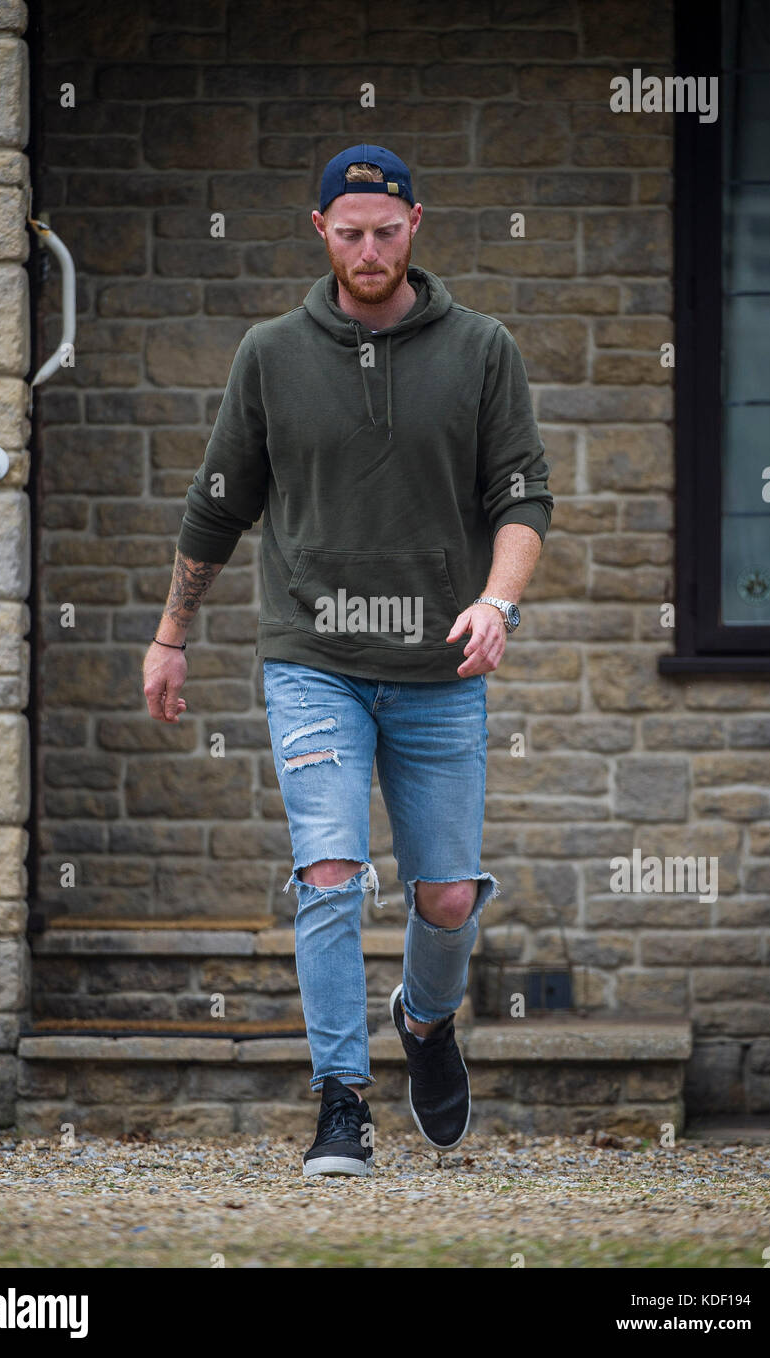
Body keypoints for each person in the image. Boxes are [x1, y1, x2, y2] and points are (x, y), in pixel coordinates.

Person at [142, 143, 553, 1177]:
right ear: (319, 230)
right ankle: (342, 1100)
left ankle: (424, 1018)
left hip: (440, 668)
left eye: (386, 229)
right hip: (313, 658)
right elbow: (217, 508)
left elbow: (522, 501)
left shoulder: (481, 348)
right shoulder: (272, 352)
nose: (368, 249)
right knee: (330, 874)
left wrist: (497, 600)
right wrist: (170, 636)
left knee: (448, 896)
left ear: (416, 224)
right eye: (348, 231)